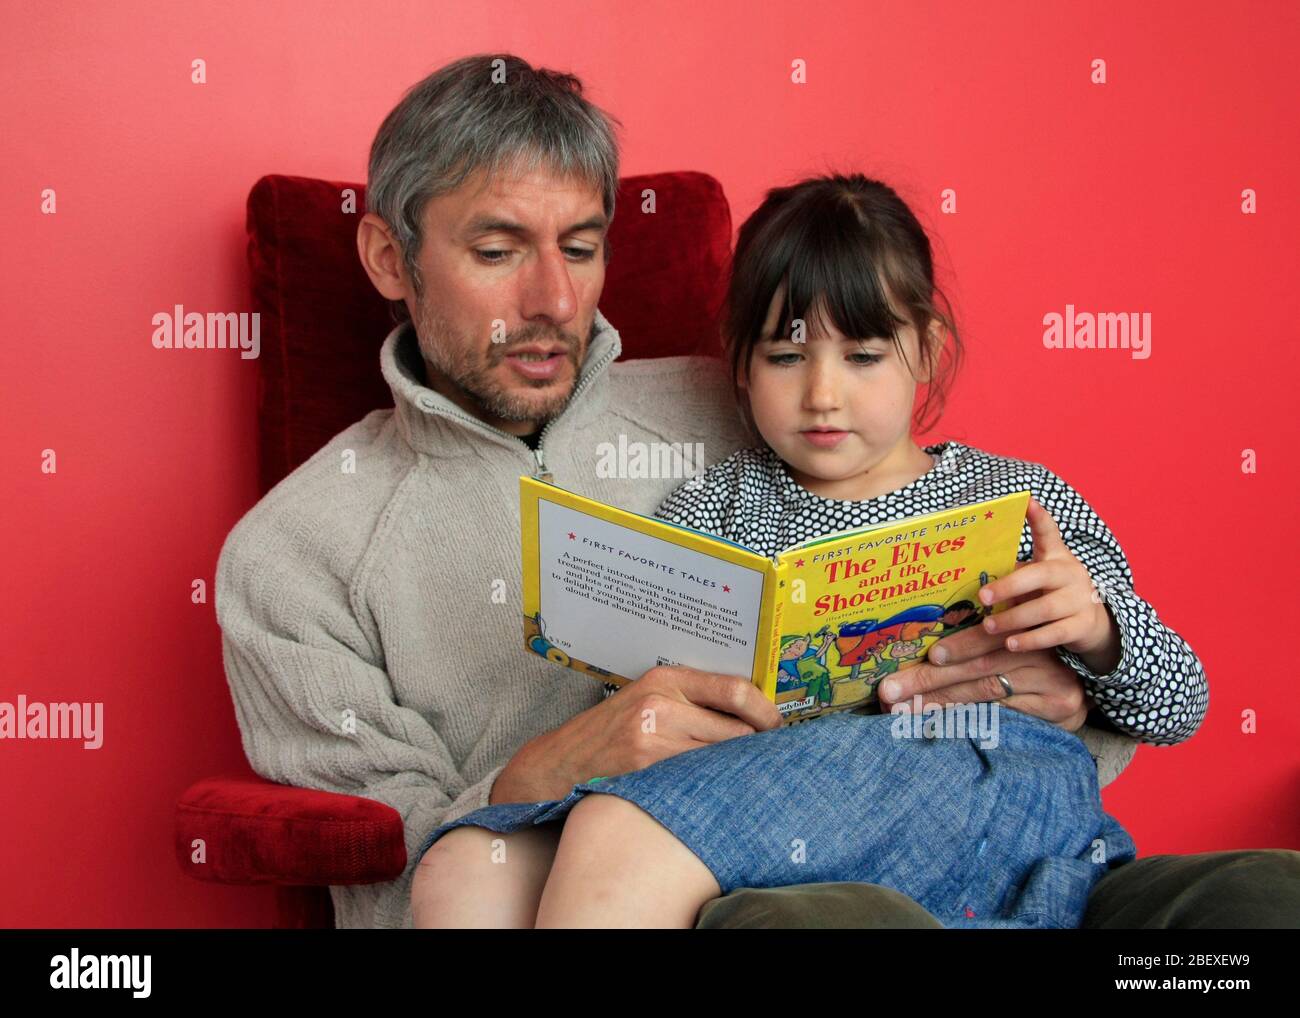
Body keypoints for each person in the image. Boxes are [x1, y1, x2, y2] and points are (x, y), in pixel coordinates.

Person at [215, 53, 1300, 931]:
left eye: (582, 247)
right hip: (632, 836)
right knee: (477, 879)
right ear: (387, 256)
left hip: (915, 799)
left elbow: (1131, 703)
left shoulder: (733, 408)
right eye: (496, 249)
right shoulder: (294, 552)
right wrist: (551, 762)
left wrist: (1067, 684)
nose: (551, 299)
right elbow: (379, 861)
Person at [410, 172, 1198, 929]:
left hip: (978, 783)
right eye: (786, 358)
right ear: (743, 368)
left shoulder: (1020, 499)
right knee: (470, 870)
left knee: (618, 832)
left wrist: (1097, 633)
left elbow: (1181, 703)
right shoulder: (714, 510)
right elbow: (642, 722)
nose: (823, 394)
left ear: (925, 349)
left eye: (862, 357)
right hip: (775, 810)